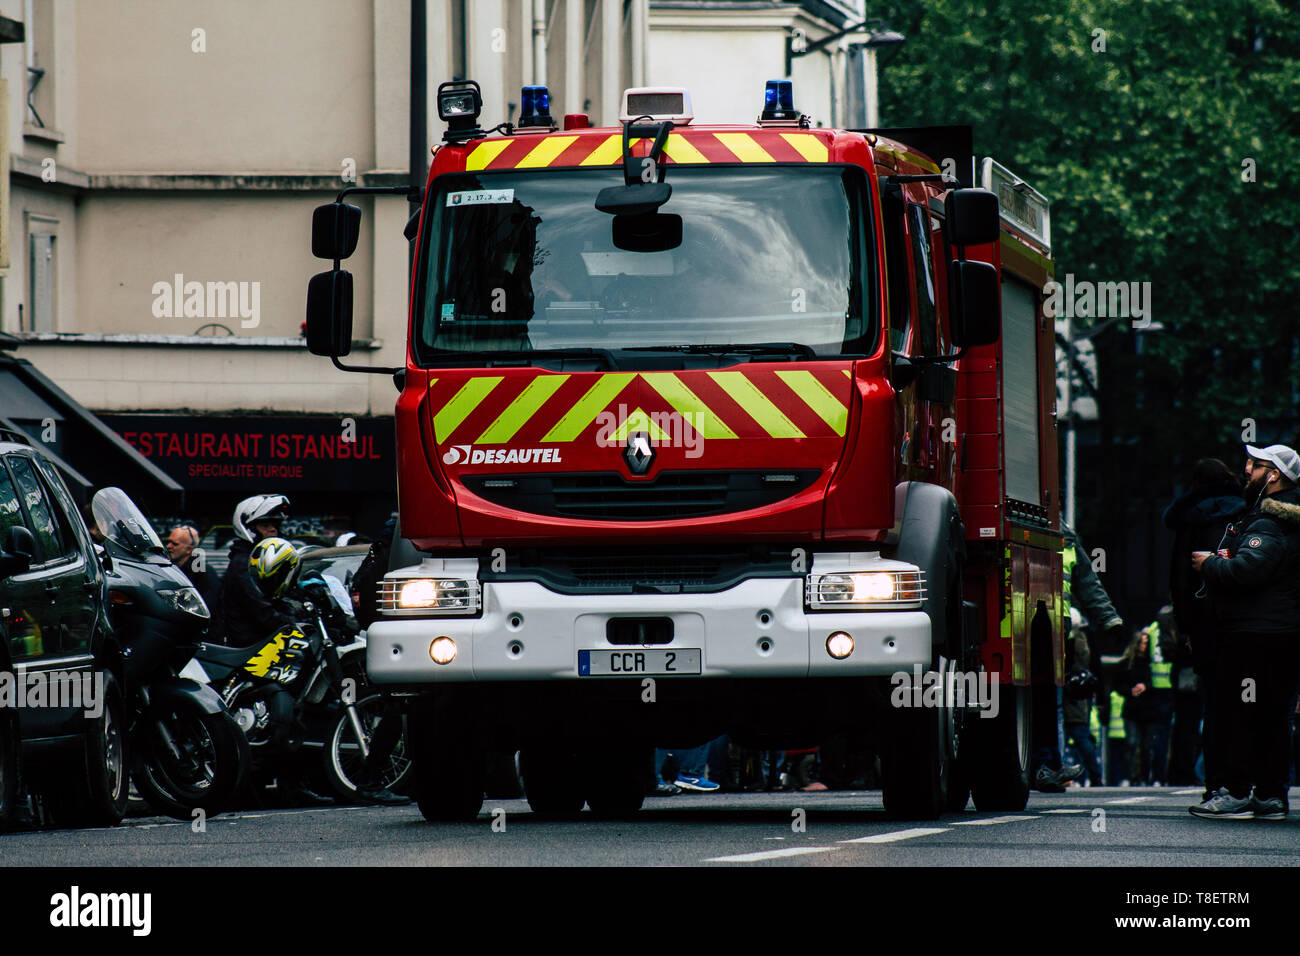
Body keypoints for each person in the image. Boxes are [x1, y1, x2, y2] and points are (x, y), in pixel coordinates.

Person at [1190, 443, 1300, 820]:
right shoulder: (1273, 518)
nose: (1247, 471)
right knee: (1271, 715)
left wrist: (1210, 566)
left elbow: (1250, 571)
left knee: (1242, 712)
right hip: (1277, 632)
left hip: (1257, 636)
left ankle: (1237, 792)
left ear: (1274, 476)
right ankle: (1269, 794)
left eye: (1256, 466)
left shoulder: (1270, 521)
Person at [1162, 458, 1245, 796]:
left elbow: (1179, 582)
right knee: (1244, 702)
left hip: (1203, 622)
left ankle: (1214, 783)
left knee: (1213, 704)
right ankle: (1243, 781)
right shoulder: (1244, 513)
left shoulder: (1188, 521)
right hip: (1242, 621)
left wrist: (1186, 629)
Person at [218, 494, 294, 646]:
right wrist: (293, 625)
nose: (273, 530)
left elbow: (281, 599)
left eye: (275, 525)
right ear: (249, 529)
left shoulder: (265, 561)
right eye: (265, 525)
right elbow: (262, 611)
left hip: (264, 642)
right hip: (251, 648)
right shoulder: (243, 564)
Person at [1063, 610, 1103, 787]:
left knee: (1080, 735)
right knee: (1081, 735)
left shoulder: (1074, 640)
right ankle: (1093, 775)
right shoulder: (1085, 638)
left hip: (1073, 695)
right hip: (1081, 693)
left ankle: (1094, 775)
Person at [165, 524, 220, 611]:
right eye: (168, 542)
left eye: (175, 544)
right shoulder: (167, 567)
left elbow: (208, 607)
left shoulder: (203, 573)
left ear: (189, 550)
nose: (168, 546)